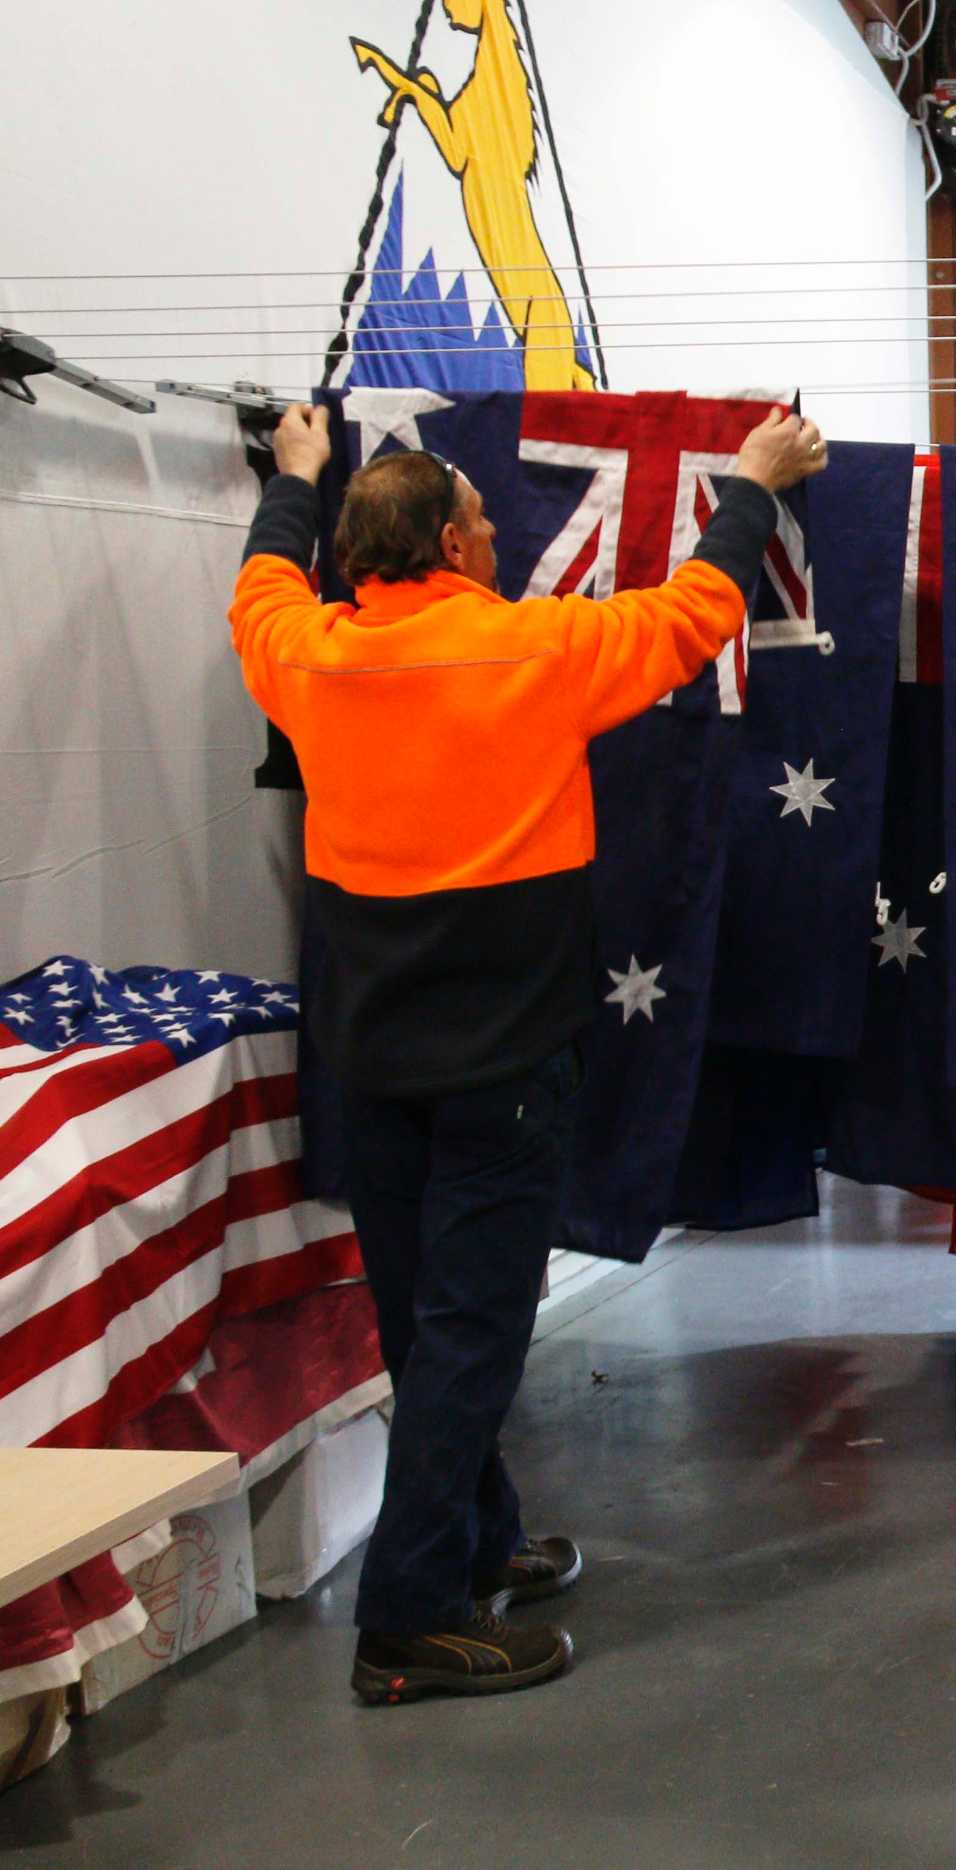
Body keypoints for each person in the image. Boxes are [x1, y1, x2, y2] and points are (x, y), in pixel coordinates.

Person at [231, 401, 828, 1702]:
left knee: (425, 1326)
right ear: (451, 545)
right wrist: (752, 480)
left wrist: (295, 473)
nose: (501, 537)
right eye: (486, 523)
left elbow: (261, 585)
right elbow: (696, 611)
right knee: (473, 1334)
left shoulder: (309, 658)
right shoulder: (536, 649)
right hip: (502, 1072)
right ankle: (409, 1622)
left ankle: (478, 1540)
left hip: (372, 1063)